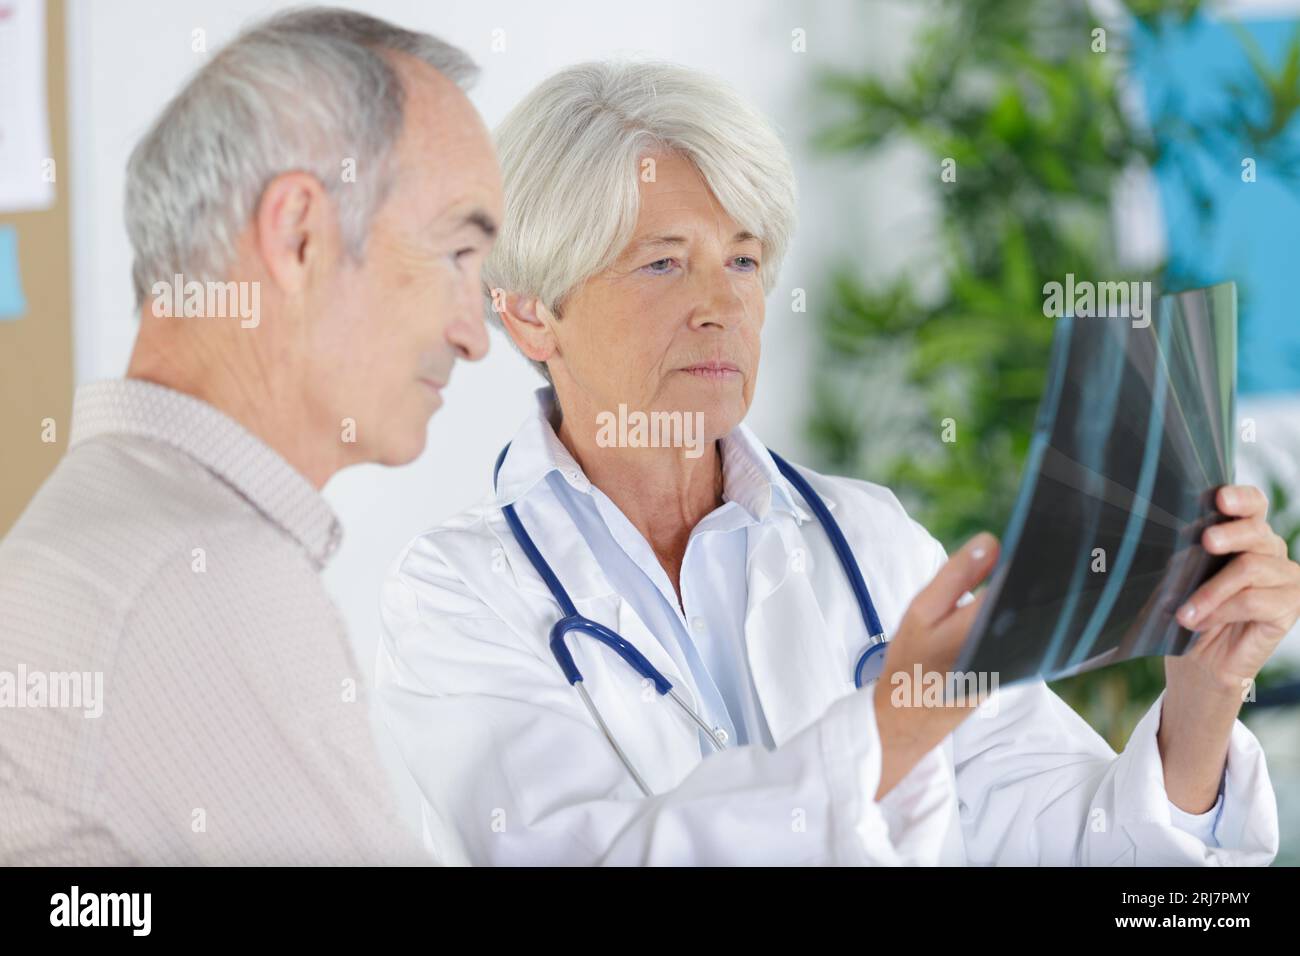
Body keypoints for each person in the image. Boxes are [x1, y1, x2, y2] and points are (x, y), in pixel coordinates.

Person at [376, 61, 1297, 865]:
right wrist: (893, 724)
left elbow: (1072, 842)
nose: (720, 306)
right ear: (532, 310)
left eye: (742, 260)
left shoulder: (870, 539)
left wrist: (1205, 692)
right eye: (663, 264)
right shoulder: (460, 594)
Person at [0, 7, 502, 864]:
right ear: (299, 235)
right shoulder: (199, 575)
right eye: (458, 253)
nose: (475, 334)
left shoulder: (107, 526)